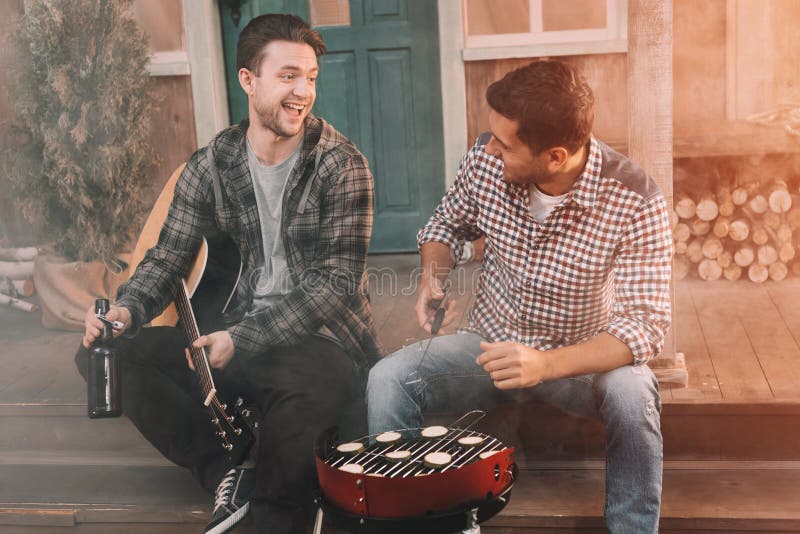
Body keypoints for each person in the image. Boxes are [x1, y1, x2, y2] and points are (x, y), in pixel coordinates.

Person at [76, 14, 380, 534]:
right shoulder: (212, 164)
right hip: (232, 341)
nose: (302, 91)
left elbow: (334, 286)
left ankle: (267, 510)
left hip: (320, 347)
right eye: (287, 76)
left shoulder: (341, 166)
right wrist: (126, 310)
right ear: (248, 79)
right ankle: (223, 471)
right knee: (103, 351)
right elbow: (167, 257)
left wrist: (243, 337)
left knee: (287, 478)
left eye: (309, 77)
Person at [367, 59, 673, 533]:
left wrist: (545, 364)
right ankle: (410, 521)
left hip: (578, 363)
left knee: (634, 391)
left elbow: (643, 327)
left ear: (554, 156)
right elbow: (446, 225)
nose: (490, 149)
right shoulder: (486, 162)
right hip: (488, 346)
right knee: (387, 378)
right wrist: (434, 275)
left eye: (505, 144)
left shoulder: (636, 198)